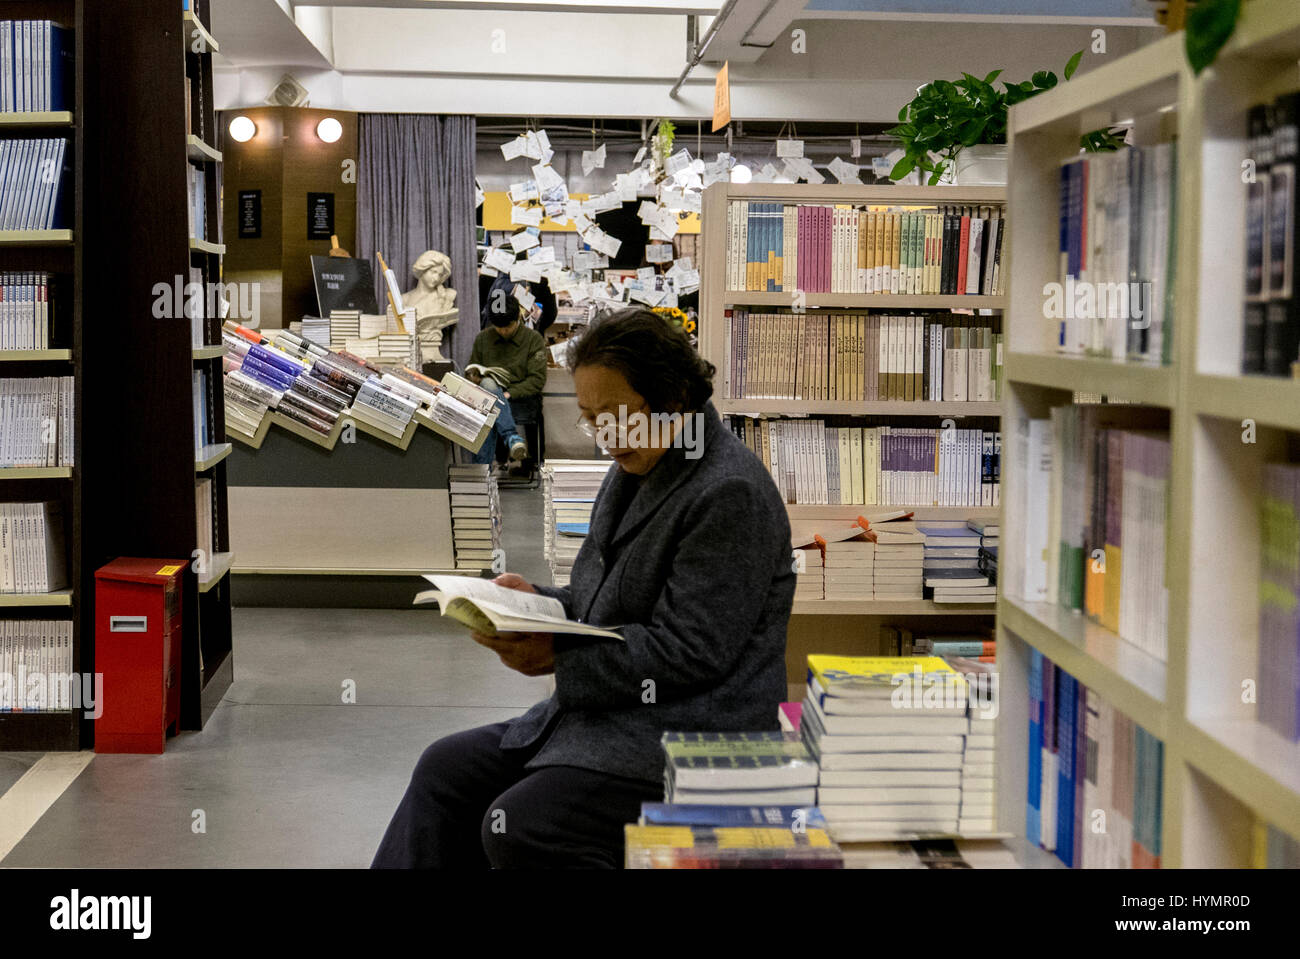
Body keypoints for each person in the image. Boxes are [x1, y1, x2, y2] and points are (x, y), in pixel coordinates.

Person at [372, 307, 795, 869]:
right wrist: (536, 604)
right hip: (613, 715)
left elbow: (691, 651)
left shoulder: (728, 492)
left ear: (671, 400)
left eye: (616, 416)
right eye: (592, 418)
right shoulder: (639, 465)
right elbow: (603, 600)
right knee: (444, 769)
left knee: (524, 826)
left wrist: (558, 657)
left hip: (691, 731)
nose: (604, 436)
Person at [466, 279, 547, 466]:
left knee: (489, 405)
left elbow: (537, 379)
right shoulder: (484, 338)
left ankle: (482, 470)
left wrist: (508, 393)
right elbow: (473, 367)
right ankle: (512, 438)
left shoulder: (533, 339)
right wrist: (473, 376)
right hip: (489, 396)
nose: (503, 331)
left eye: (507, 327)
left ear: (518, 319)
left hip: (520, 397)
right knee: (487, 386)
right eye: (498, 327)